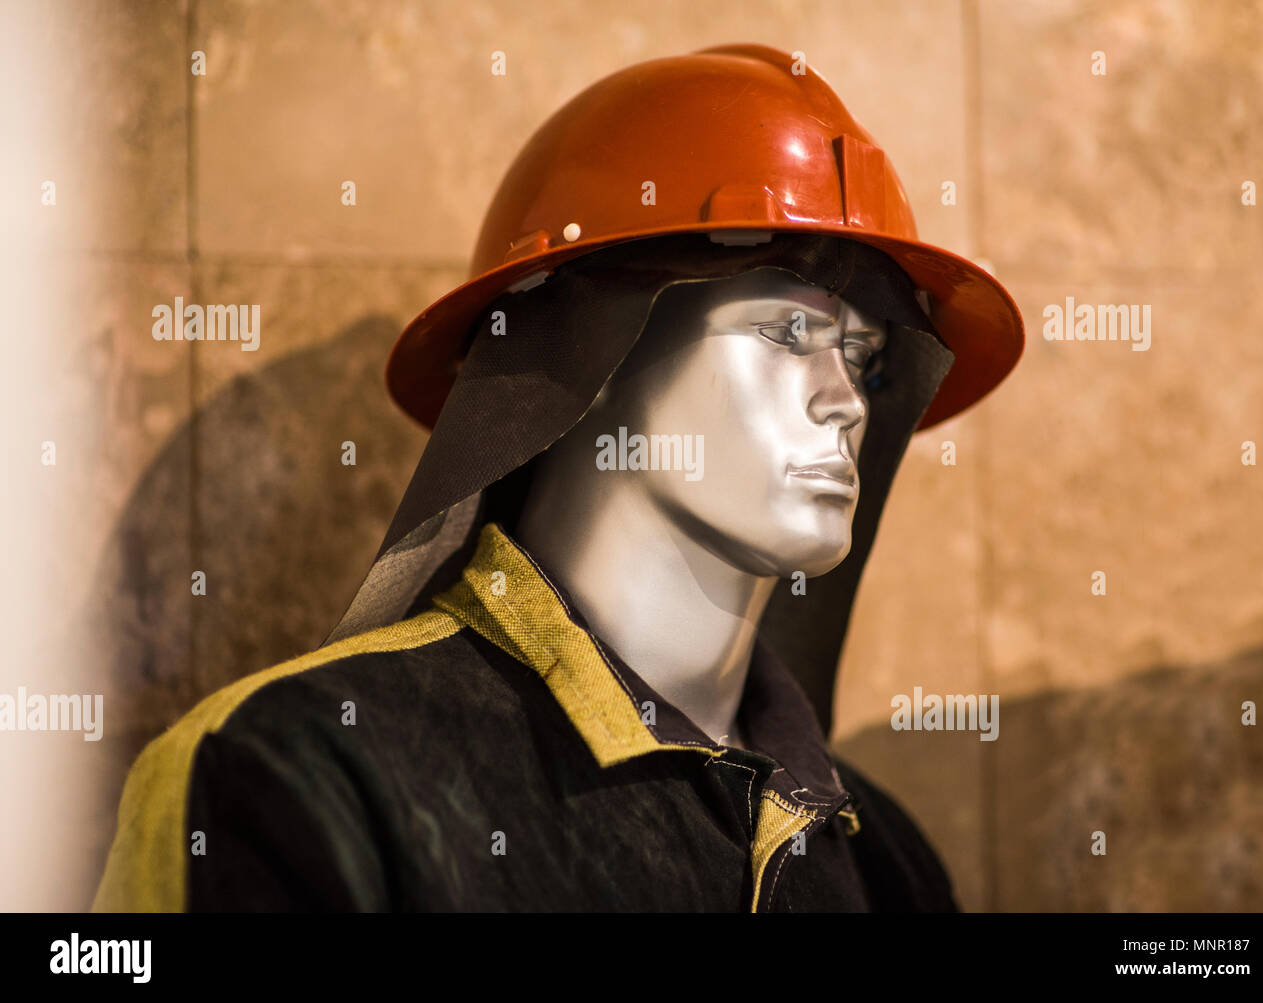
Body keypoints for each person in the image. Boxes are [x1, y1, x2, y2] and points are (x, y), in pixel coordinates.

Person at [93, 44, 1022, 913]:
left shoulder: (882, 861)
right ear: (594, 356)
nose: (846, 400)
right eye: (787, 333)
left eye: (862, 356)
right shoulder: (295, 779)